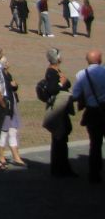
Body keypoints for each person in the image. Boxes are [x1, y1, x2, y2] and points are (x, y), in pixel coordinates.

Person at [70, 48, 105, 183]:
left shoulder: (81, 74)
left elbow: (76, 94)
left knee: (95, 144)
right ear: (99, 59)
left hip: (92, 111)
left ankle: (94, 174)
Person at [40, 47, 76, 177]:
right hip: (58, 109)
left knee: (61, 138)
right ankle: (60, 168)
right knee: (59, 138)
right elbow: (52, 89)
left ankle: (62, 167)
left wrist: (64, 82)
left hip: (62, 108)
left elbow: (68, 82)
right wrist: (62, 84)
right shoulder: (51, 72)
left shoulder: (56, 70)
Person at [0, 56, 25, 167]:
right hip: (6, 106)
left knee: (13, 131)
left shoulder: (8, 74)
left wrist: (15, 85)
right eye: (5, 62)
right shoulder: (1, 75)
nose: (8, 63)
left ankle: (16, 156)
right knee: (4, 132)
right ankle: (1, 157)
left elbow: (13, 87)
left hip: (13, 105)